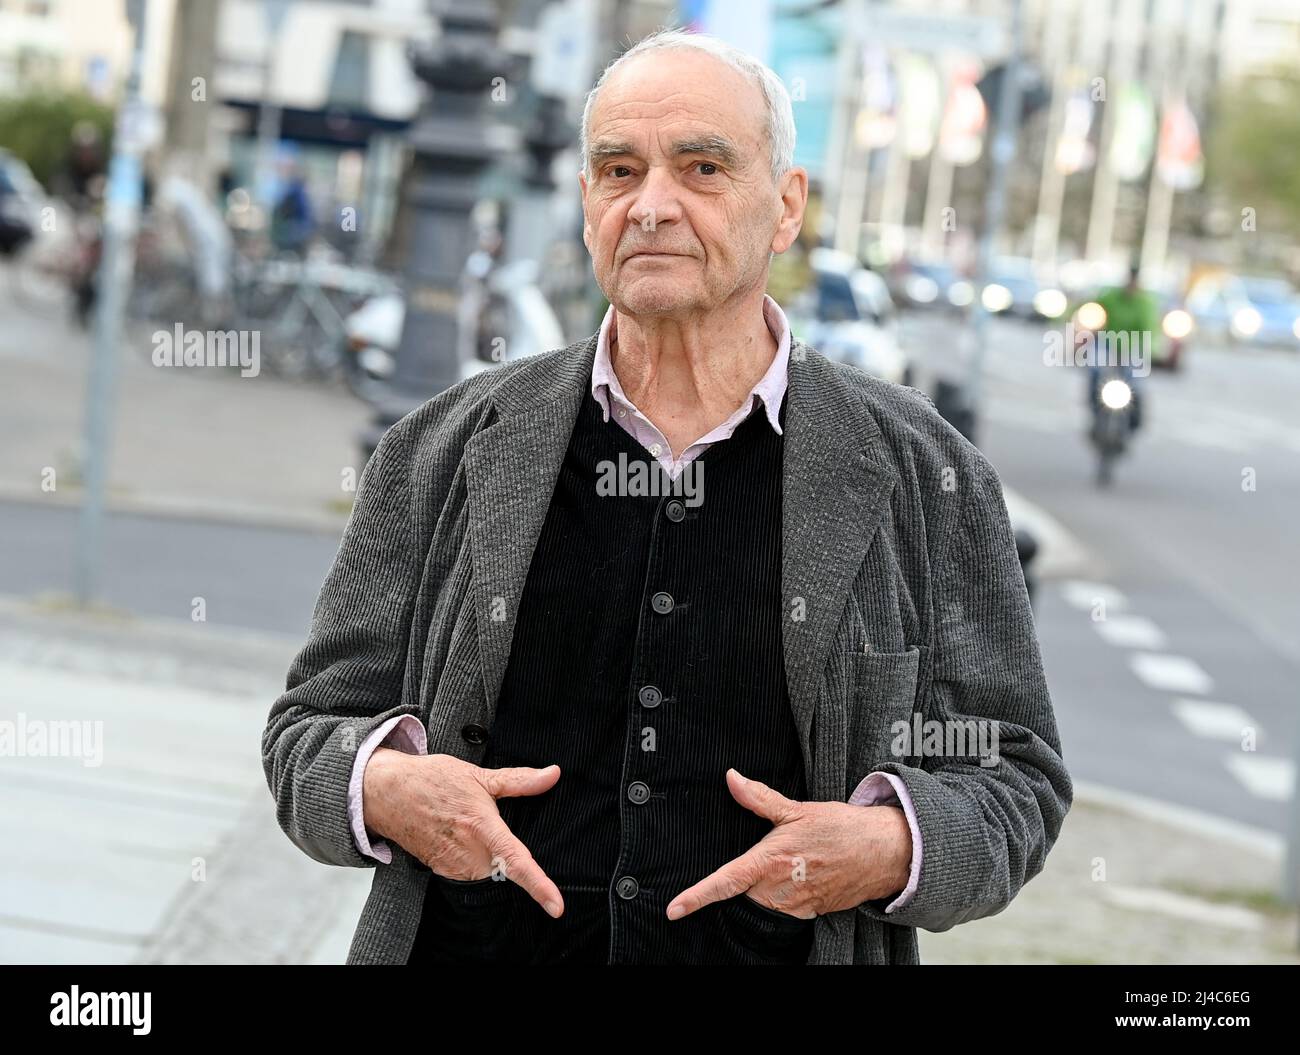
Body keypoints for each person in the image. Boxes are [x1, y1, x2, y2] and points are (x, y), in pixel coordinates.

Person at [262, 28, 1072, 966]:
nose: (652, 205)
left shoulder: (922, 472)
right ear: (585, 204)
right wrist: (386, 790)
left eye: (701, 167)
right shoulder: (440, 451)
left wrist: (891, 845)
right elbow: (306, 736)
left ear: (785, 207)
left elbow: (1014, 775)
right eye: (619, 170)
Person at [1085, 264, 1157, 430]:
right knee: (1095, 370)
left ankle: (1134, 418)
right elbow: (1093, 310)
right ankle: (1094, 406)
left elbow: (1151, 331)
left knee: (1136, 382)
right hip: (1107, 344)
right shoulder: (1111, 297)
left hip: (1132, 350)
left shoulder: (1145, 303)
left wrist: (1152, 351)